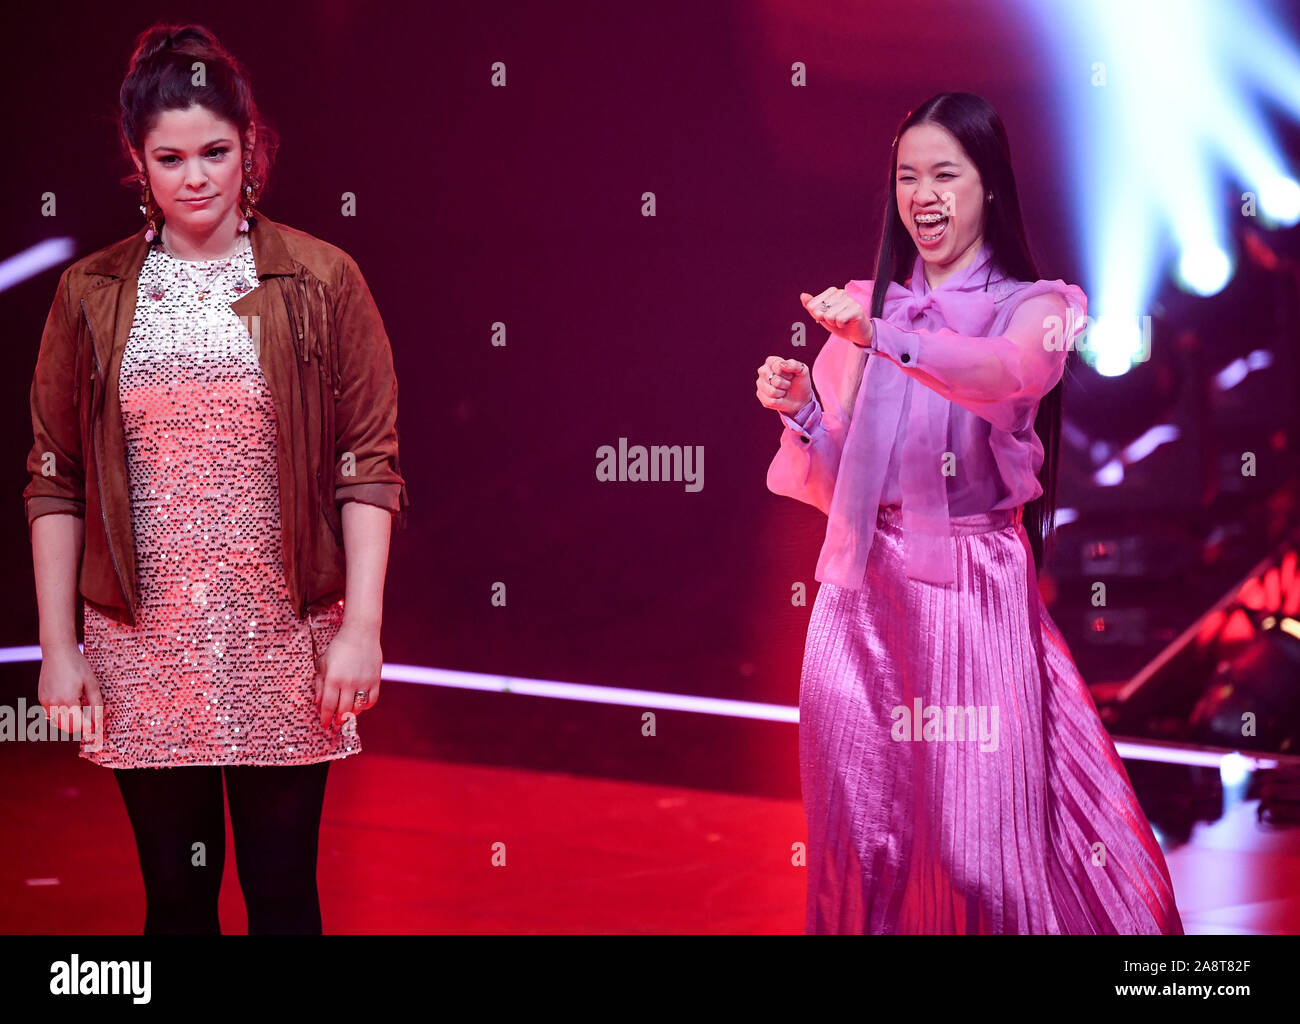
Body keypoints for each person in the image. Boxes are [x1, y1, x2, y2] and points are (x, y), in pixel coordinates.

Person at [756, 92, 1182, 934]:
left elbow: (999, 376)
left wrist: (888, 339)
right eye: (908, 175)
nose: (924, 193)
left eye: (945, 172)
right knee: (859, 836)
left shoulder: (1041, 309)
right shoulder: (863, 307)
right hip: (859, 595)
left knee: (978, 852)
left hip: (972, 591)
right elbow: (849, 483)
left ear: (989, 186)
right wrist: (806, 410)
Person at [24, 23, 410, 934]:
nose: (195, 176)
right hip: (141, 642)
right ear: (138, 161)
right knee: (175, 902)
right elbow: (54, 480)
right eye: (170, 157)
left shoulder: (321, 278)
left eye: (215, 151)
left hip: (286, 634)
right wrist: (57, 647)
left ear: (251, 147)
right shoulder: (89, 293)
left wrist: (362, 624)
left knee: (283, 898)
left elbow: (371, 464)